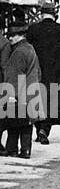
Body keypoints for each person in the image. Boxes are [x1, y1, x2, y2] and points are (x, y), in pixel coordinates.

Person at [25, 0, 60, 146]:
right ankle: (44, 130)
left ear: (41, 13)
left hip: (37, 71)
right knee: (53, 102)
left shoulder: (33, 29)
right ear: (54, 14)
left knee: (37, 101)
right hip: (57, 72)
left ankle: (40, 129)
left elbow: (28, 50)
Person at [1, 22, 42, 159]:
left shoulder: (18, 52)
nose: (10, 38)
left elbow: (13, 75)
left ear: (20, 36)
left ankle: (11, 148)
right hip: (32, 90)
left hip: (20, 93)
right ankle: (26, 150)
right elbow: (38, 71)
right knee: (26, 124)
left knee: (14, 121)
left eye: (13, 35)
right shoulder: (30, 49)